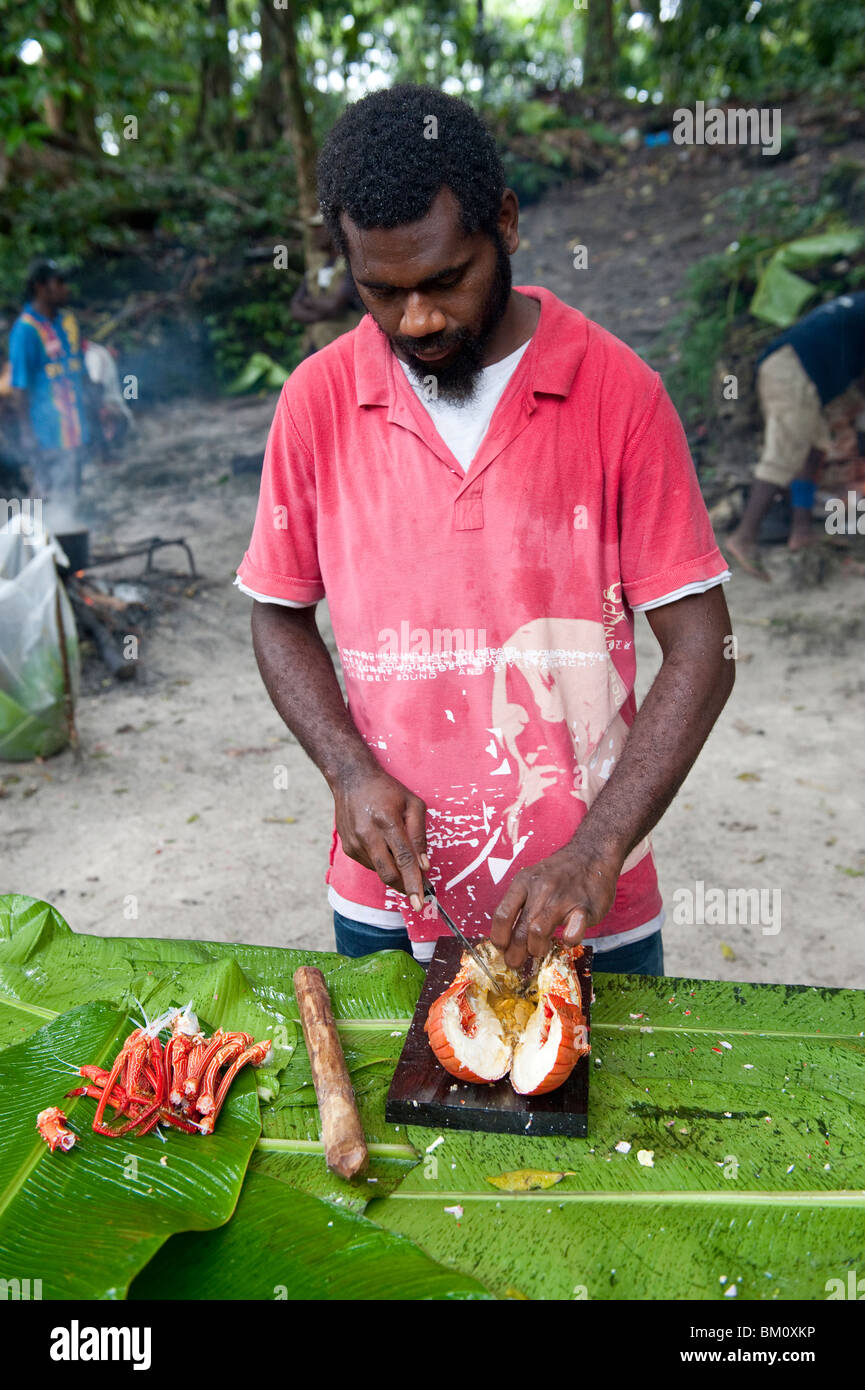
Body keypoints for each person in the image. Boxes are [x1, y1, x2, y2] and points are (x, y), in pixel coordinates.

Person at [235, 84, 734, 977]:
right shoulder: (315, 401)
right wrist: (347, 769)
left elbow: (701, 647)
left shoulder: (619, 394)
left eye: (444, 281)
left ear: (504, 223)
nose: (417, 320)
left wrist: (598, 846)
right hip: (389, 905)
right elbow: (277, 612)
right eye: (381, 292)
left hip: (585, 910)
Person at [728, 291, 865, 578]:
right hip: (792, 371)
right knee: (784, 455)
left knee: (813, 451)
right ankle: (744, 537)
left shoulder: (857, 306)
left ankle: (801, 531)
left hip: (795, 369)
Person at [8, 259, 91, 500]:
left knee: (73, 493)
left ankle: (72, 534)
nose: (66, 289)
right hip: (46, 433)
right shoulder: (25, 330)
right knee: (49, 494)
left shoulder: (68, 322)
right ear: (40, 287)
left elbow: (80, 371)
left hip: (76, 428)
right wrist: (27, 434)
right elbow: (19, 388)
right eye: (60, 282)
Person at [289, 213, 364, 356]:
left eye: (319, 229)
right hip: (316, 346)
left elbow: (334, 306)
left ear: (333, 230)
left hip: (346, 350)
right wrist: (323, 314)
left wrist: (308, 302)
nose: (314, 235)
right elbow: (295, 308)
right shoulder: (316, 270)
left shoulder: (350, 266)